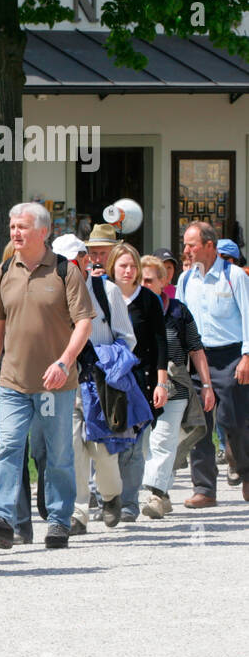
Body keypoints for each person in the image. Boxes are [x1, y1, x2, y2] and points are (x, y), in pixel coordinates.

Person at [0, 204, 95, 551]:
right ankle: (3, 519)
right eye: (12, 226)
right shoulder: (4, 271)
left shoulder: (65, 271)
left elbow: (84, 322)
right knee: (9, 446)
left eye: (22, 226)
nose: (15, 232)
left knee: (56, 454)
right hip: (12, 383)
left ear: (43, 232)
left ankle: (58, 520)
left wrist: (65, 362)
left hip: (54, 385)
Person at [52, 233, 137, 533]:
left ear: (86, 260)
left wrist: (112, 364)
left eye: (73, 261)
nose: (67, 269)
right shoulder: (51, 293)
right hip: (65, 380)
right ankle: (78, 513)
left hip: (100, 380)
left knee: (101, 449)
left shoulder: (107, 291)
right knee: (72, 448)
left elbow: (127, 337)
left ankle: (111, 496)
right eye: (61, 263)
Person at [178, 221, 249, 506]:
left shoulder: (234, 276)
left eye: (191, 245)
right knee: (199, 424)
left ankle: (246, 473)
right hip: (197, 358)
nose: (186, 250)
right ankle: (204, 488)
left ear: (210, 246)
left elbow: (248, 317)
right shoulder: (186, 280)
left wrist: (247, 356)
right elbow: (179, 322)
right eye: (185, 244)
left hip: (230, 356)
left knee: (235, 421)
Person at [138, 255, 213, 517]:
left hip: (175, 388)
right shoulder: (130, 310)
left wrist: (206, 385)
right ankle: (163, 492)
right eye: (140, 280)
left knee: (163, 441)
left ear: (163, 282)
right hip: (141, 387)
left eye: (149, 280)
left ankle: (156, 496)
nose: (144, 285)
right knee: (147, 444)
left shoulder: (178, 311)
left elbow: (196, 349)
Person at [108, 242, 170, 522]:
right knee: (107, 442)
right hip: (109, 378)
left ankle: (129, 502)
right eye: (123, 265)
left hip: (141, 379)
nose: (129, 271)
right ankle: (107, 498)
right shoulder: (102, 295)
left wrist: (161, 382)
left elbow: (160, 343)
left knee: (134, 444)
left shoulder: (147, 299)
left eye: (133, 266)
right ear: (113, 268)